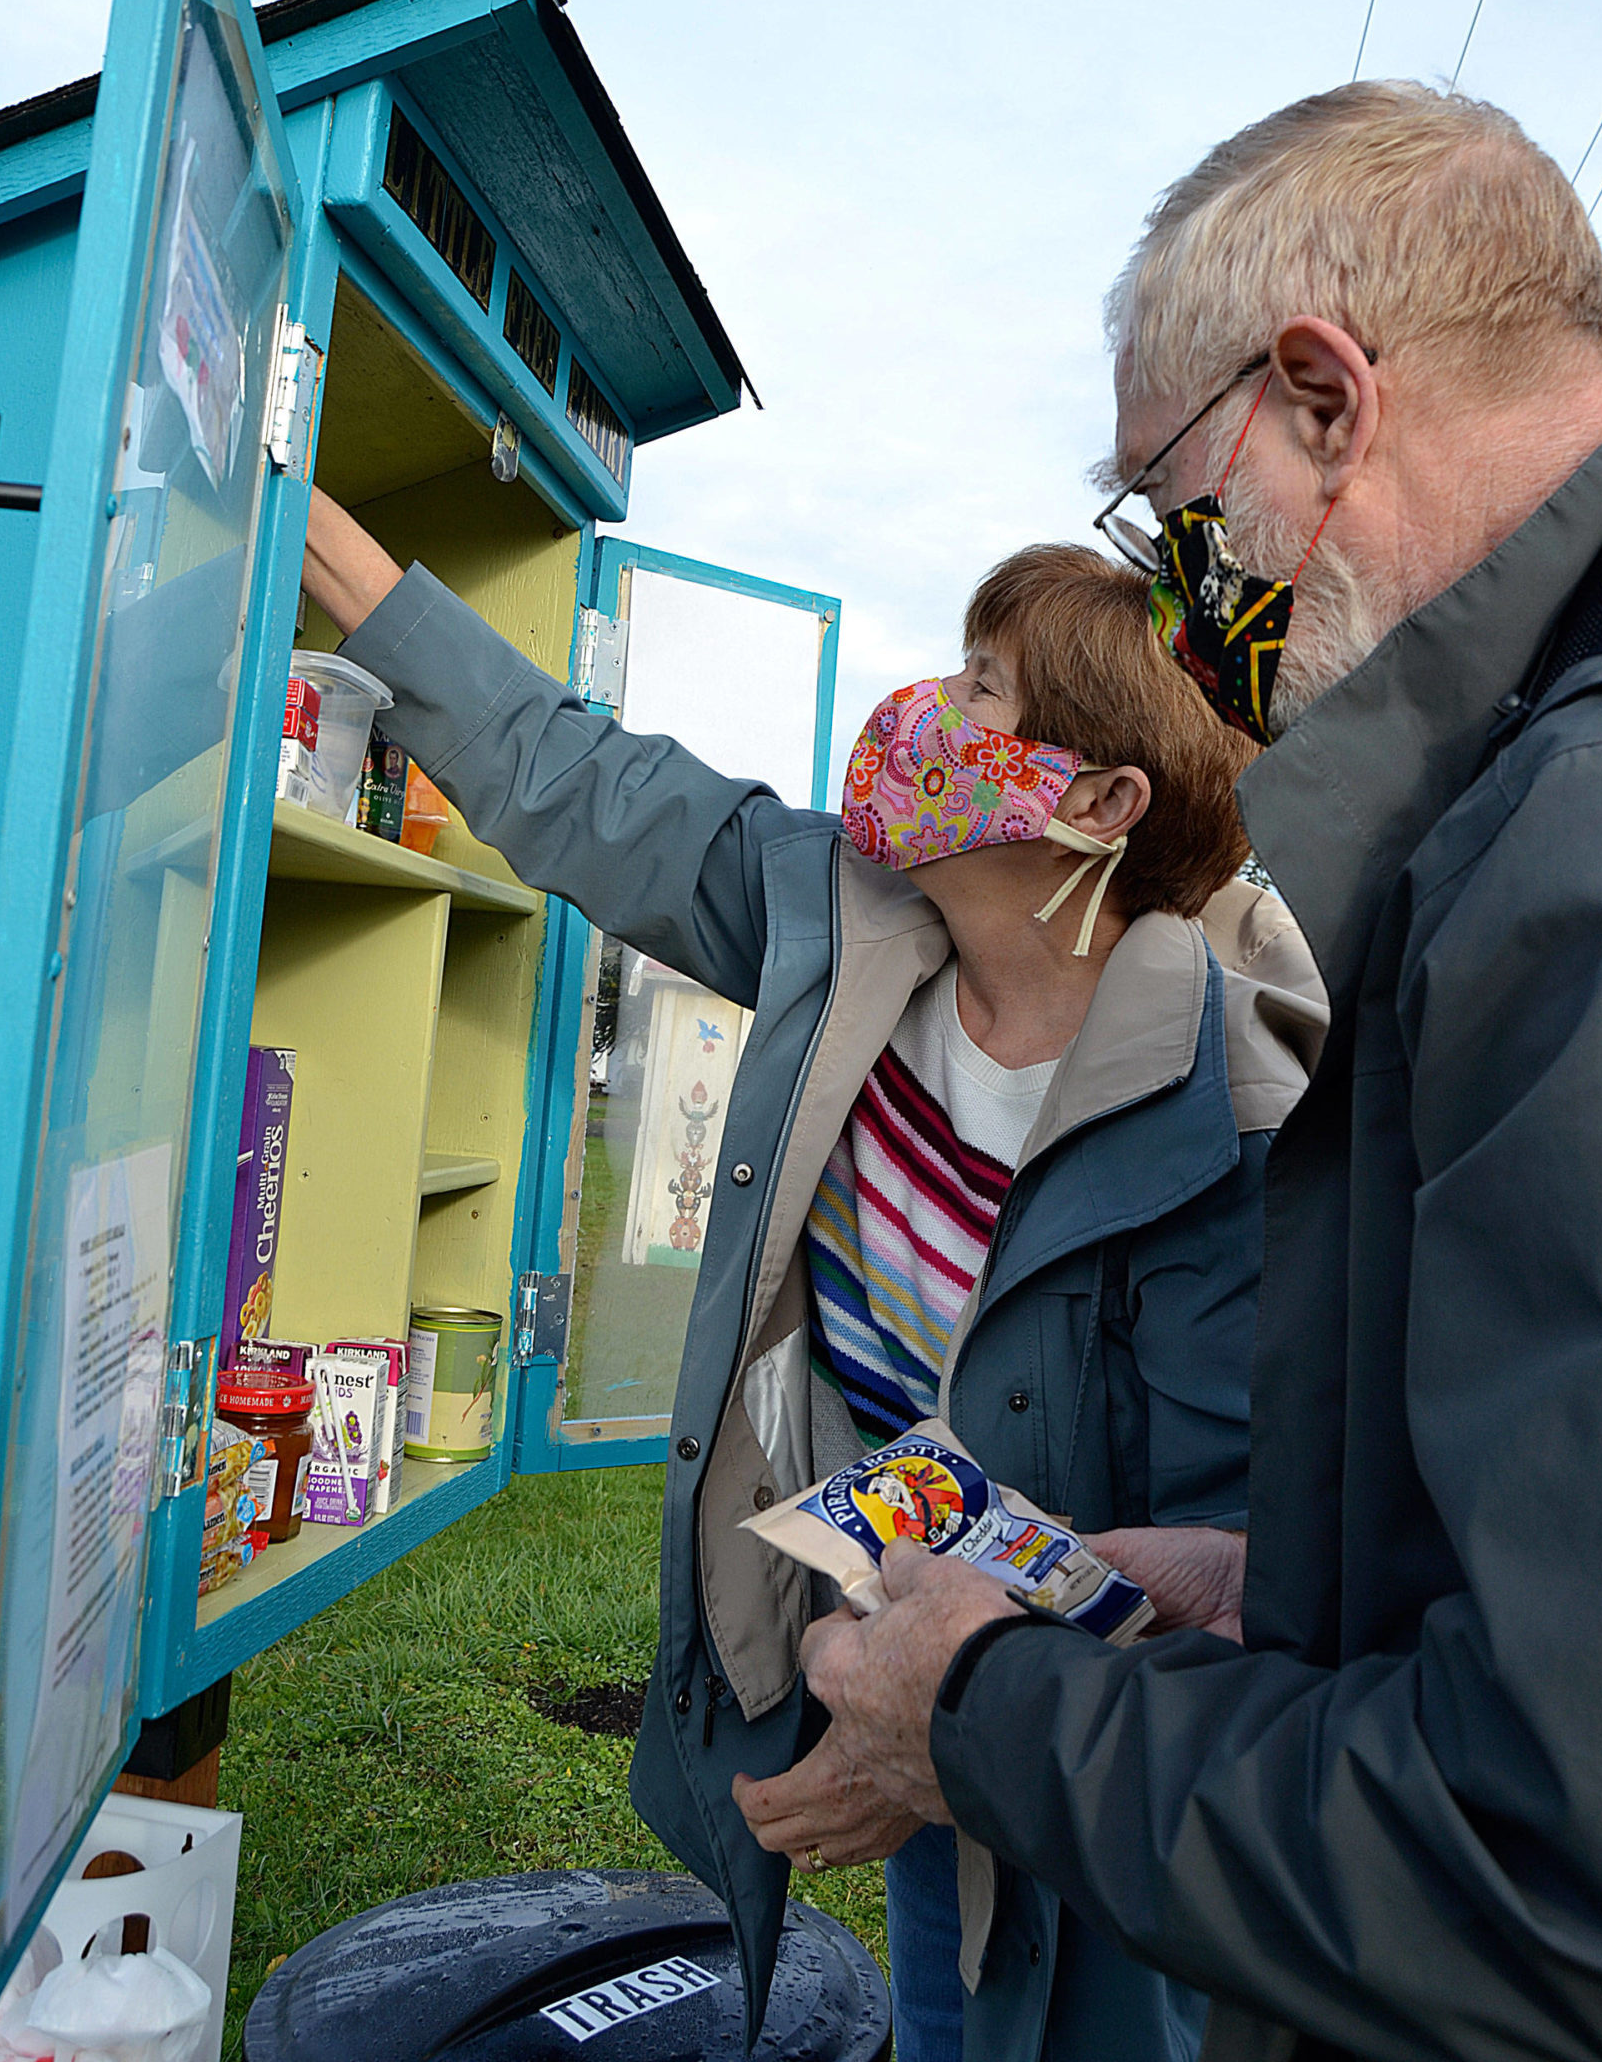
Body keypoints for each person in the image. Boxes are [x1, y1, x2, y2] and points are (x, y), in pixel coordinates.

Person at [801, 78, 1602, 2062]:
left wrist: (978, 1709)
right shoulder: (1533, 796)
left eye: (1169, 504)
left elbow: (1553, 1863)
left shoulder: (1581, 840)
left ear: (1323, 400)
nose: (1183, 607)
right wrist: (1287, 1582)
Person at [298, 506, 1323, 2060]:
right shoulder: (843, 923)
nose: (920, 712)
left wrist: (960, 1733)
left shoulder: (1231, 1117)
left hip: (1120, 1776)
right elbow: (578, 782)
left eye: (980, 690)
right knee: (942, 2002)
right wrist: (317, 519)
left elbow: (1236, 1578)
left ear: (1099, 801)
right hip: (915, 1631)